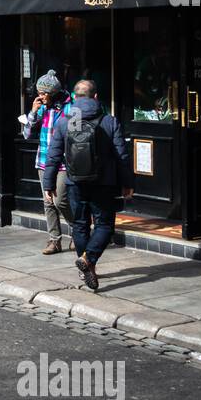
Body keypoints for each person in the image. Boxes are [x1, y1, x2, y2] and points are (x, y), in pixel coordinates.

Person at [41, 79, 134, 292]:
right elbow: (122, 155)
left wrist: (49, 183)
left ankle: (86, 263)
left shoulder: (65, 121)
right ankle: (89, 260)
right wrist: (127, 183)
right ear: (95, 97)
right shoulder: (109, 121)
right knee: (104, 226)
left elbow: (53, 156)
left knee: (80, 225)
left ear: (74, 98)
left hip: (75, 182)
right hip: (104, 183)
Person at [19, 70, 74, 255]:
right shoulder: (42, 107)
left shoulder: (71, 107)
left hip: (63, 162)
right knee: (48, 202)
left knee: (60, 201)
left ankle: (78, 230)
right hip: (43, 160)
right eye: (39, 93)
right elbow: (26, 134)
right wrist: (33, 112)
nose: (40, 97)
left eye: (43, 93)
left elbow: (78, 134)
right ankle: (54, 240)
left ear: (54, 92)